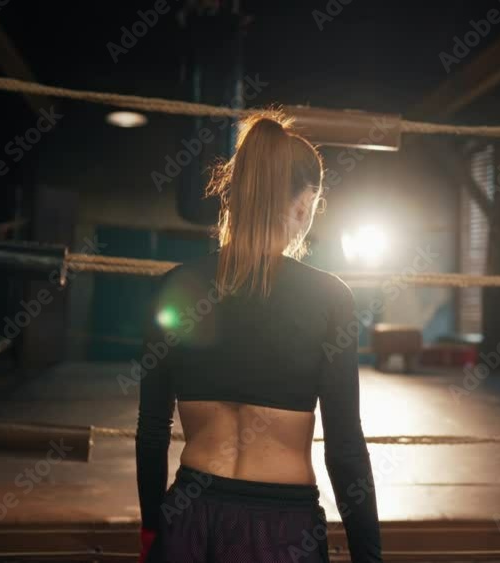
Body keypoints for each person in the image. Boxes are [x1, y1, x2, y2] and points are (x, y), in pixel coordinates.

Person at [135, 111, 382, 562]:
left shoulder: (174, 287)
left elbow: (152, 432)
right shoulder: (331, 299)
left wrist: (153, 533)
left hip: (188, 520)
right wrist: (370, 558)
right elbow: (345, 448)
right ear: (305, 204)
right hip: (281, 532)